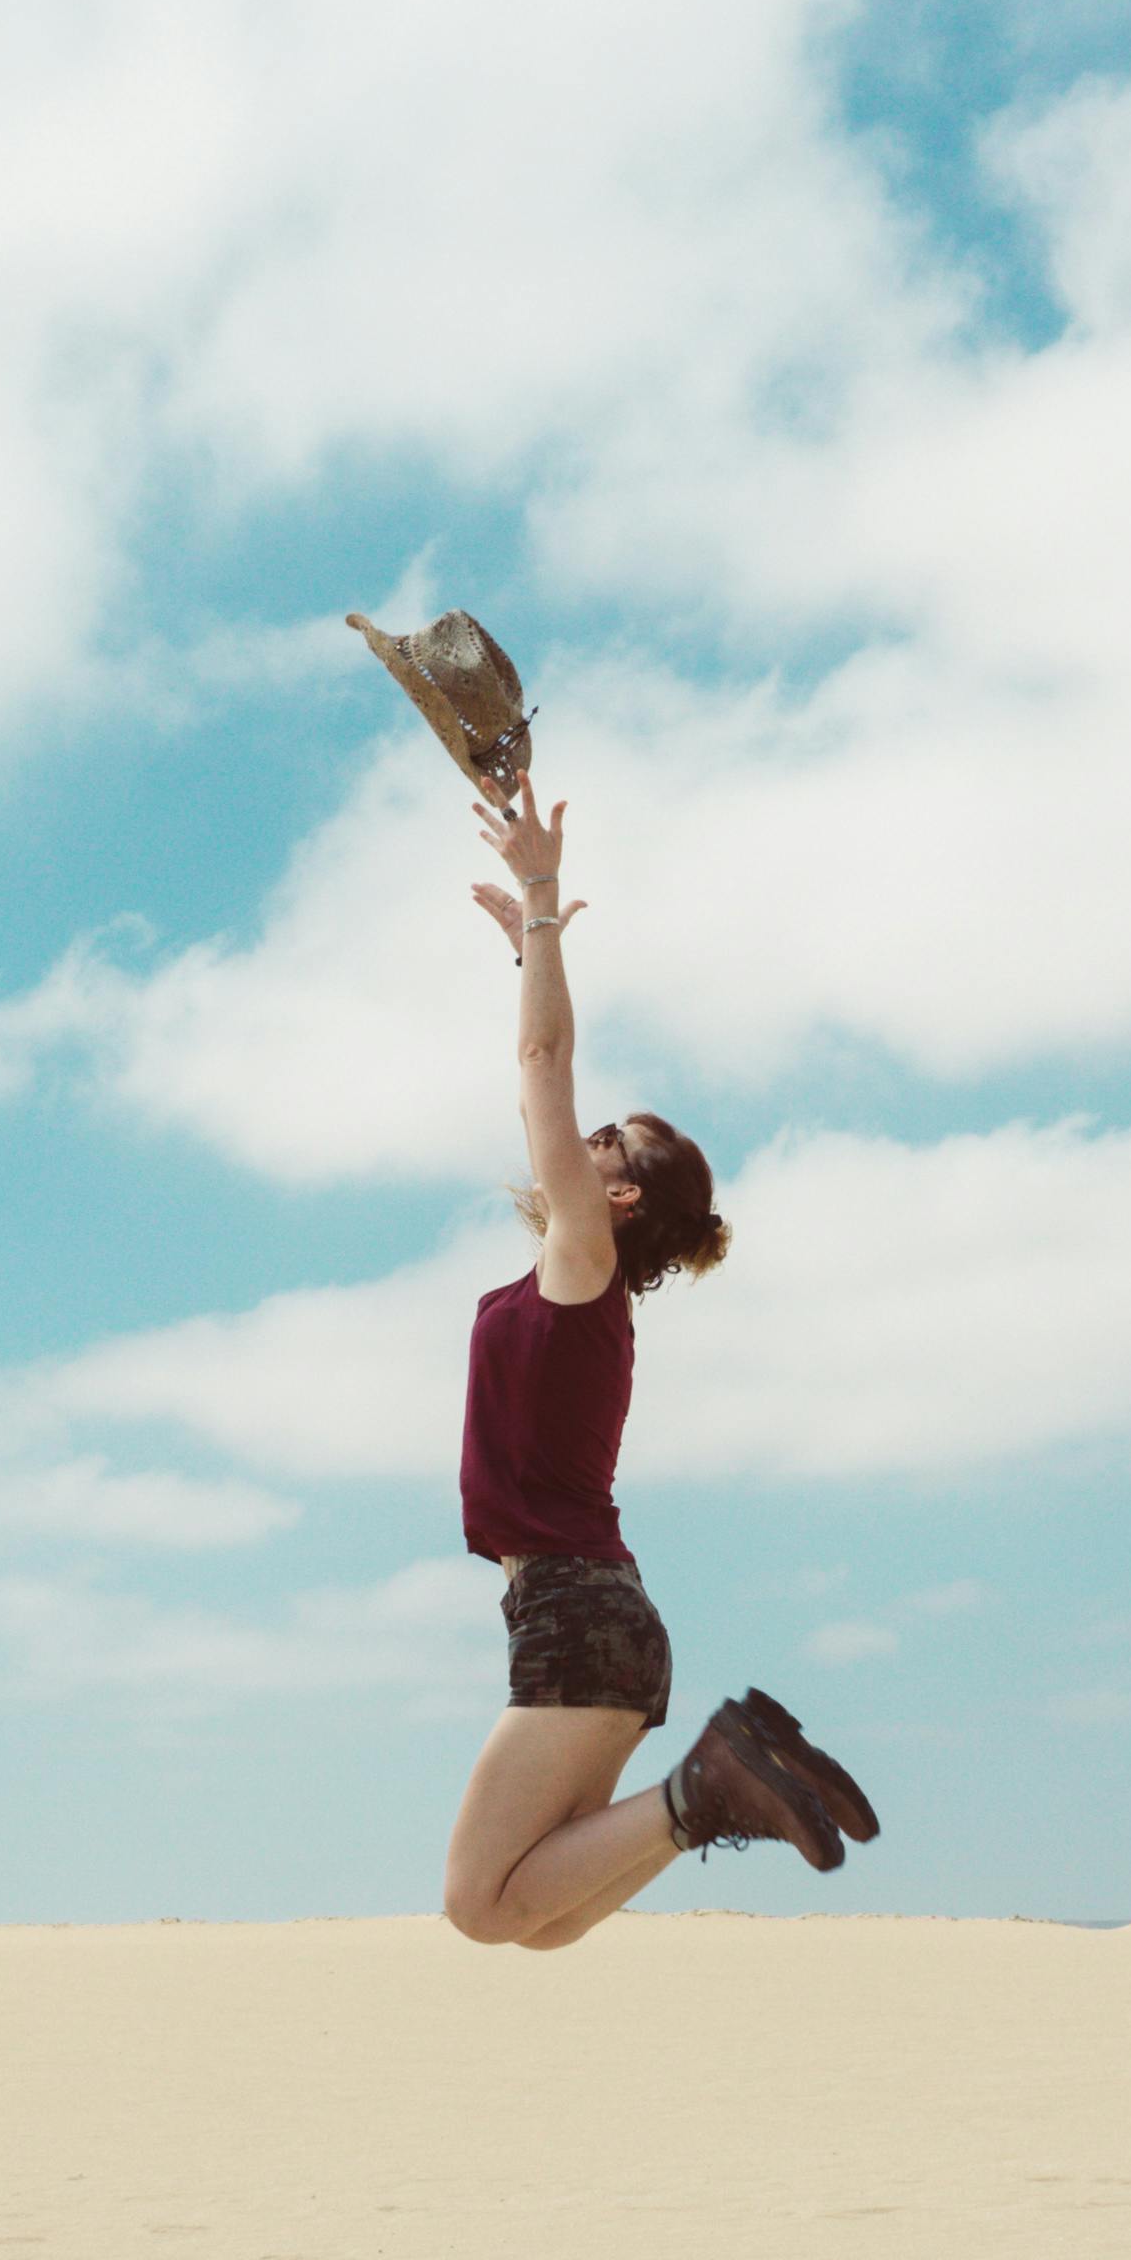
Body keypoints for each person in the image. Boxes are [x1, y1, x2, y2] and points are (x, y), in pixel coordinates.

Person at [436, 780, 876, 1948]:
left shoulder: (583, 1261)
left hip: (580, 1612)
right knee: (545, 1921)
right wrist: (530, 944)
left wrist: (540, 901)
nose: (568, 1145)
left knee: (480, 1908)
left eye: (595, 1148)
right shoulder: (582, 1294)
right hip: (601, 1617)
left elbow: (542, 1056)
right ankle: (708, 1791)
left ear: (618, 1197)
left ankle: (712, 1783)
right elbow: (542, 1066)